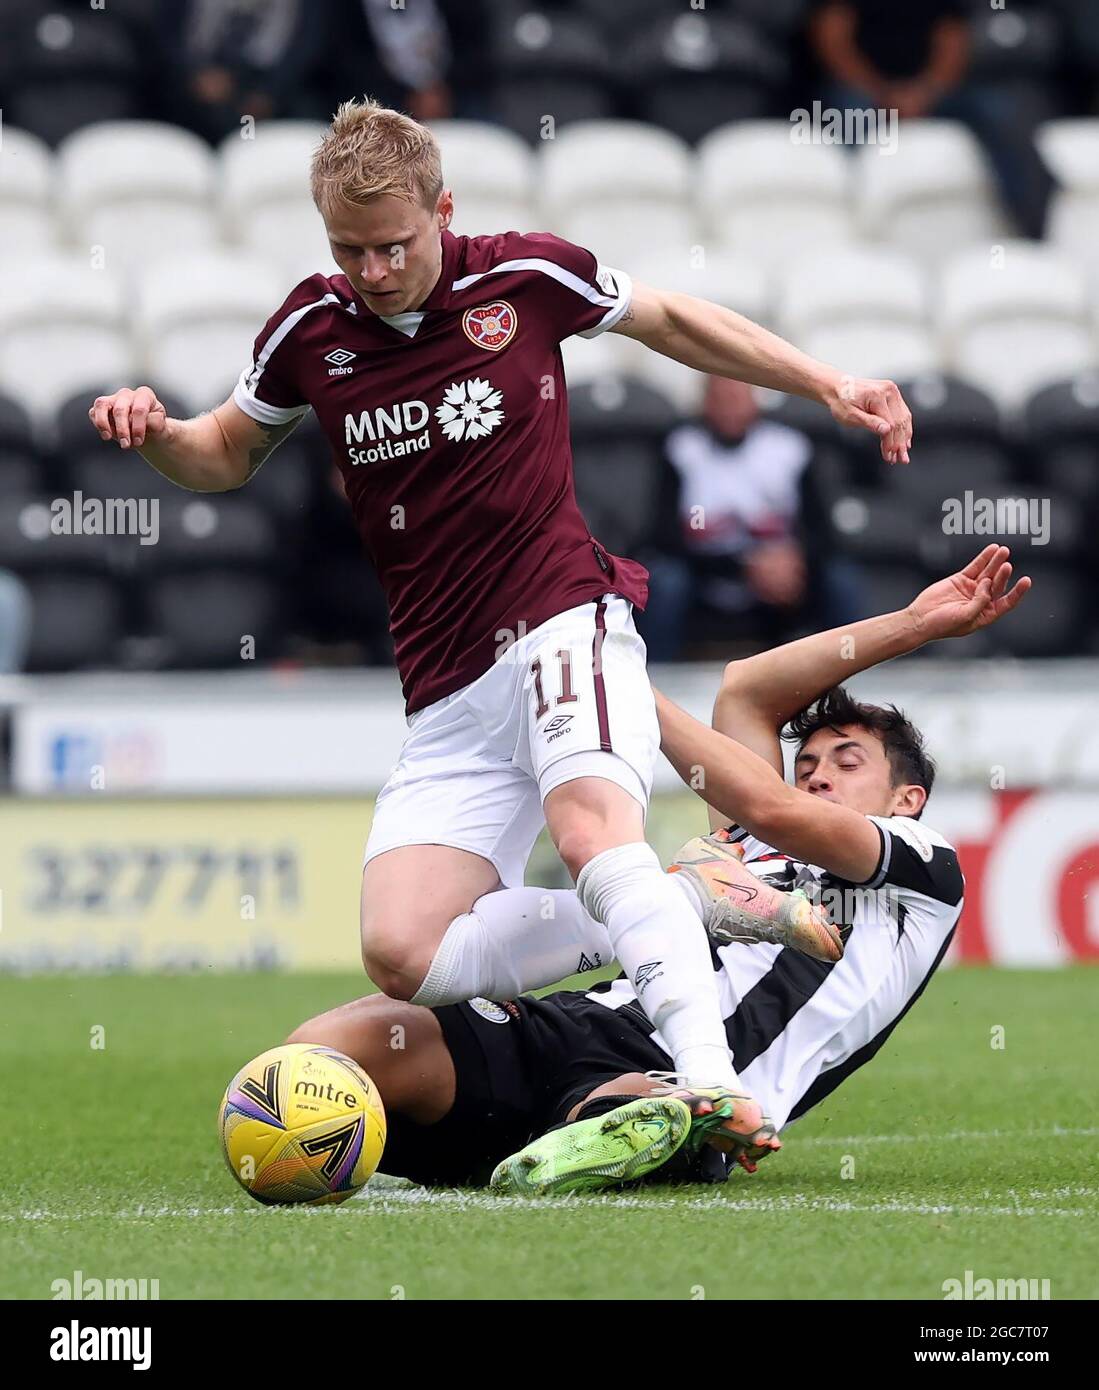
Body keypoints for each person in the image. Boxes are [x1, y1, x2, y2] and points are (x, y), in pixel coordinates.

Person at [89, 98, 913, 1126]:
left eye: (394, 244)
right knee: (402, 952)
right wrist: (156, 429)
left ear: (444, 207)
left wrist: (826, 380)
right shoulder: (312, 328)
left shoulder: (522, 275)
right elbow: (221, 451)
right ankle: (684, 899)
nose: (375, 270)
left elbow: (673, 319)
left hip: (561, 614)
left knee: (588, 831)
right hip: (443, 684)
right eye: (351, 249)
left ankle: (710, 1086)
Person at [285, 546, 1029, 1193]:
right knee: (325, 1052)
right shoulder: (745, 841)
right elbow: (745, 689)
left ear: (908, 798)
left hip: (693, 1084)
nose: (817, 774)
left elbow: (775, 805)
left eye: (846, 760)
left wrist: (604, 662)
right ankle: (538, 1144)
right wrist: (913, 623)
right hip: (574, 1022)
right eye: (806, 762)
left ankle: (600, 1135)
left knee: (640, 1110)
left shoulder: (922, 870)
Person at [636, 375, 865, 660]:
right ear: (705, 403)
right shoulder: (681, 449)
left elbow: (822, 533)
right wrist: (744, 566)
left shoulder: (789, 448)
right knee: (667, 580)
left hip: (781, 581)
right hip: (707, 576)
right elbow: (663, 535)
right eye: (721, 398)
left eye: (737, 397)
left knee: (839, 577)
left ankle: (851, 671)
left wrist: (794, 560)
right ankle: (654, 681)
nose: (729, 408)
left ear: (754, 400)